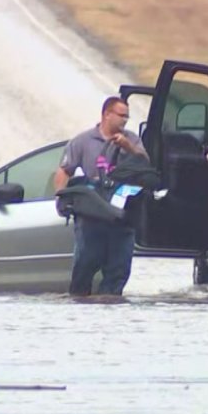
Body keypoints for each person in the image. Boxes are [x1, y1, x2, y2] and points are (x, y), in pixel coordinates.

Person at [53, 96, 148, 296]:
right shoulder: (83, 141)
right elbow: (64, 170)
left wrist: (128, 148)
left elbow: (145, 164)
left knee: (118, 271)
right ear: (106, 115)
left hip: (121, 216)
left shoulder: (132, 139)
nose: (124, 121)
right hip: (92, 215)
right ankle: (81, 309)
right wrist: (60, 196)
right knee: (84, 268)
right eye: (121, 116)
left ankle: (111, 309)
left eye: (127, 117)